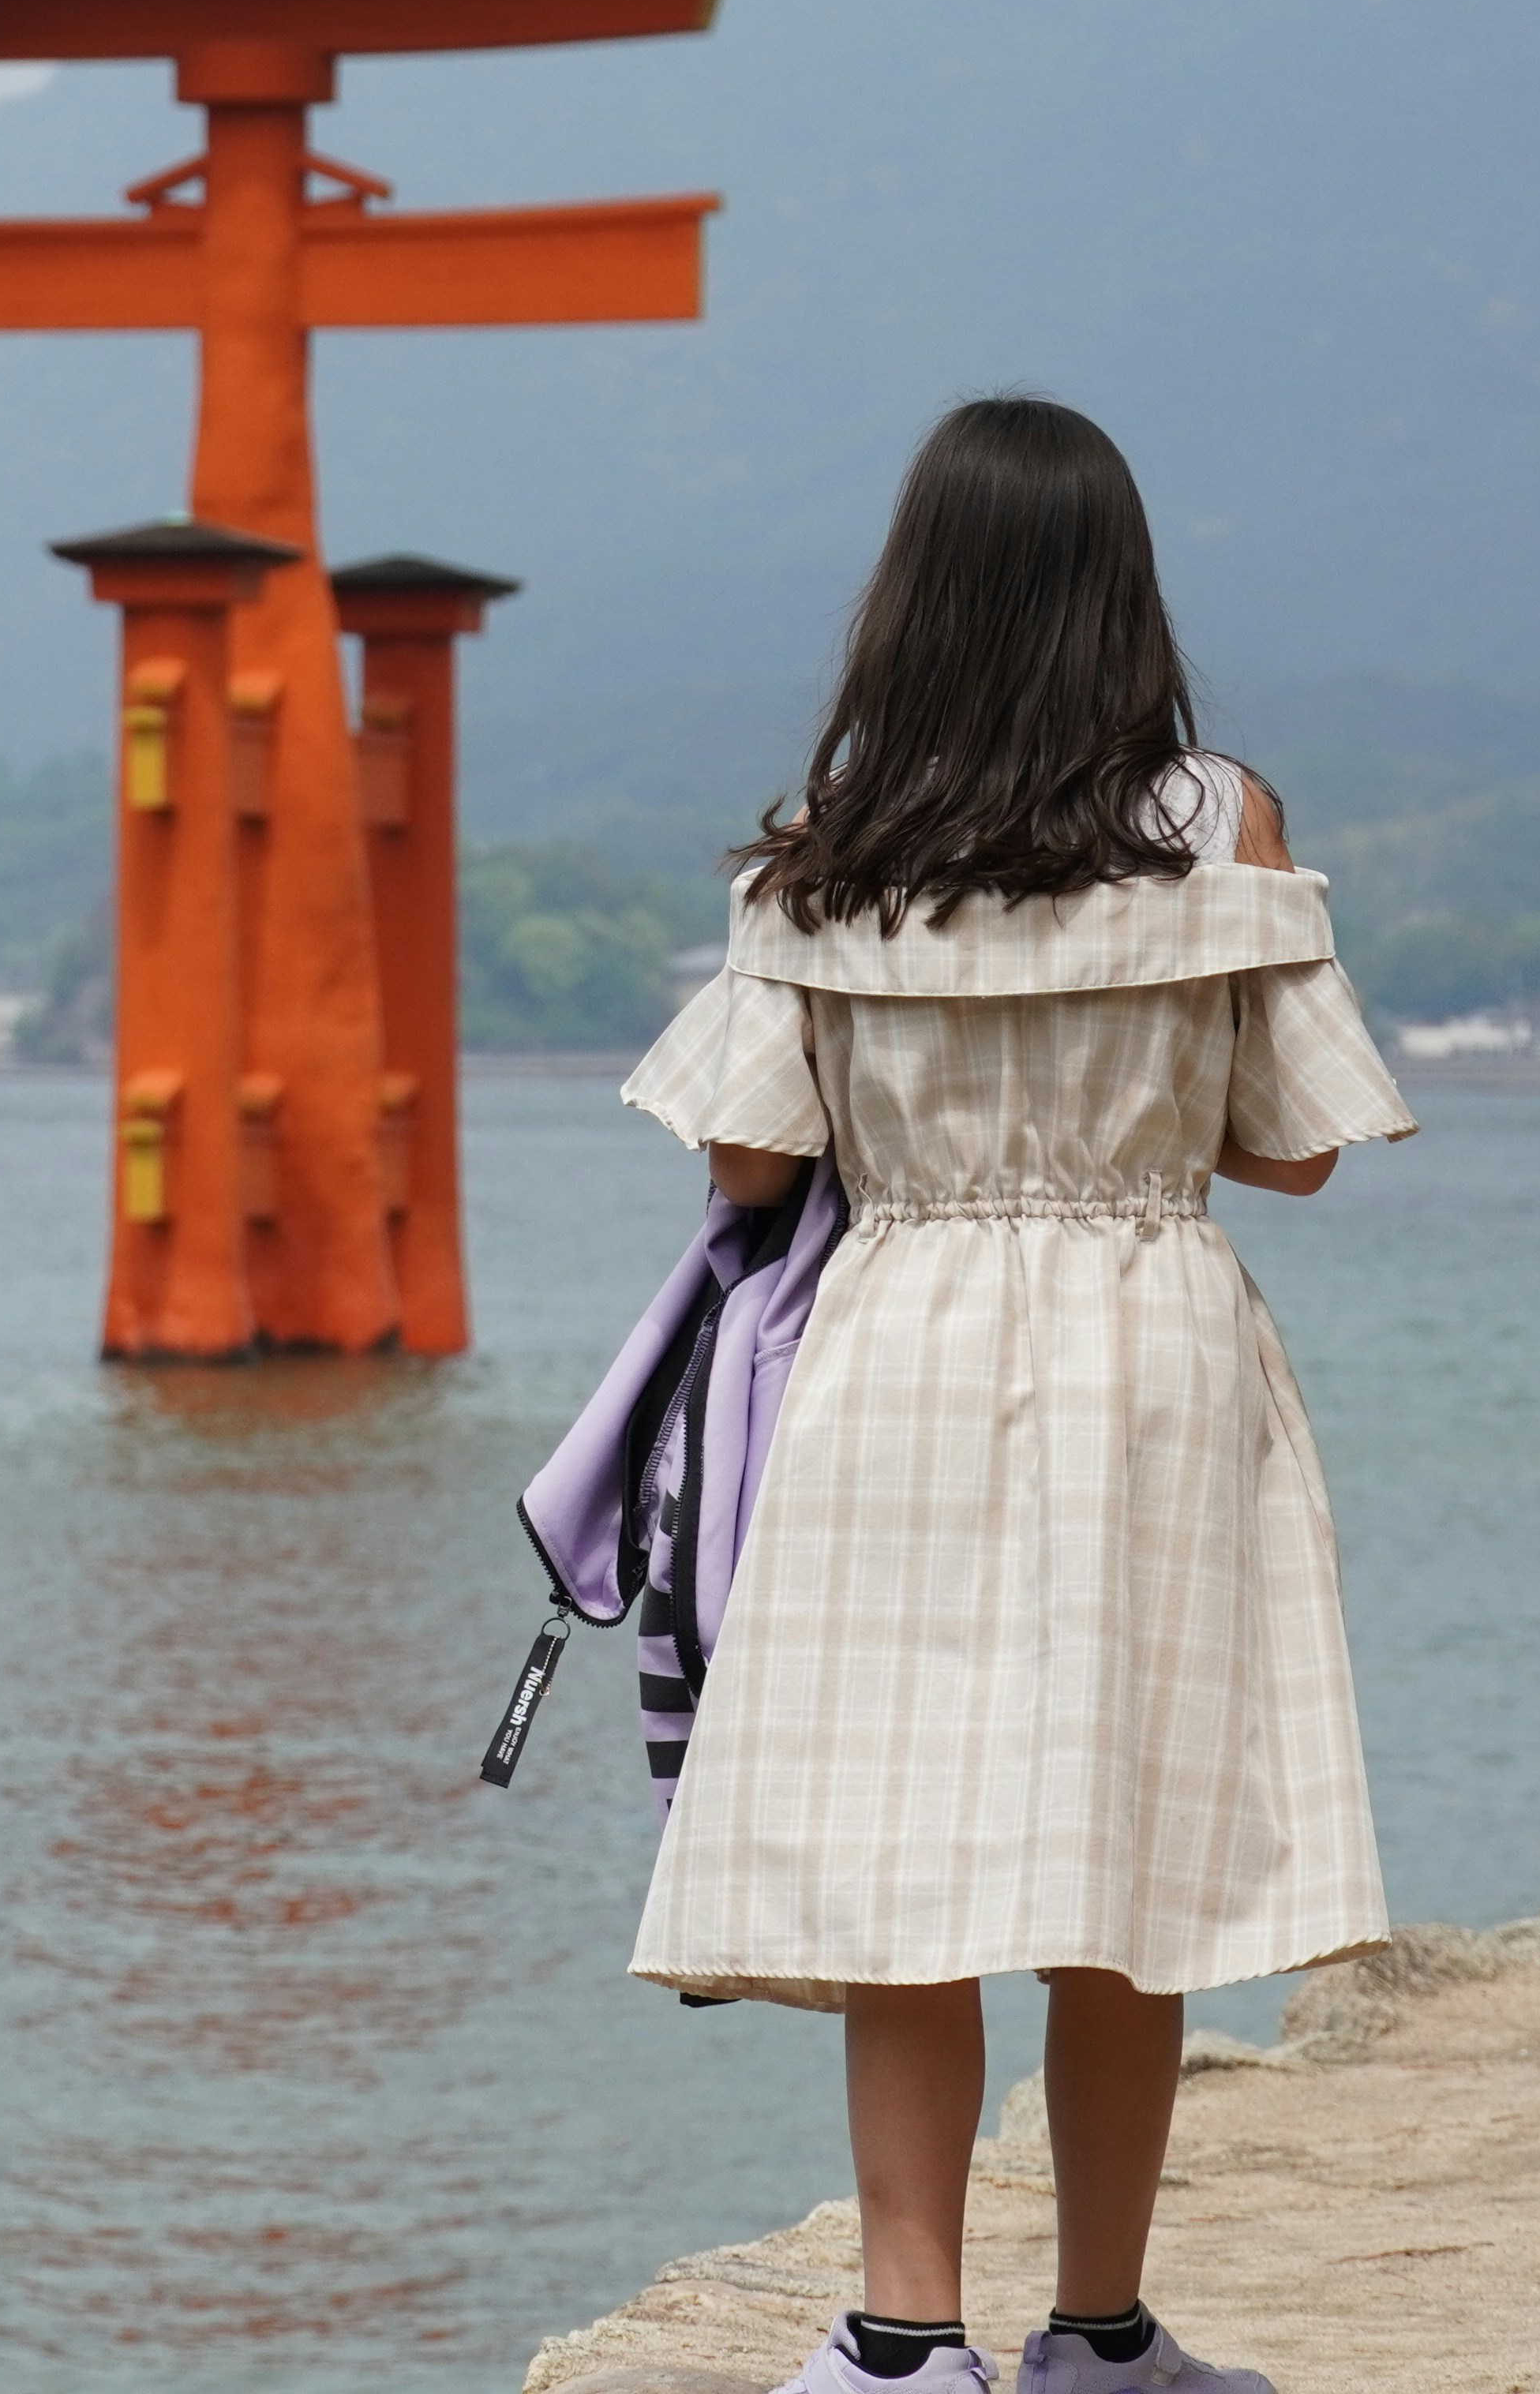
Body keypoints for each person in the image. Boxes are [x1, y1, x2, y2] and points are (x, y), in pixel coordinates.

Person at [614, 397, 1413, 2394]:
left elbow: (743, 1167)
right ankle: (1106, 2335)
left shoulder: (833, 852)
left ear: (916, 600)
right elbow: (1298, 1149)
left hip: (901, 1345)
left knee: (905, 1856)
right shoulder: (1226, 821)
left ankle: (902, 2342)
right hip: (1148, 1339)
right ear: (1122, 589)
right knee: (1112, 1863)